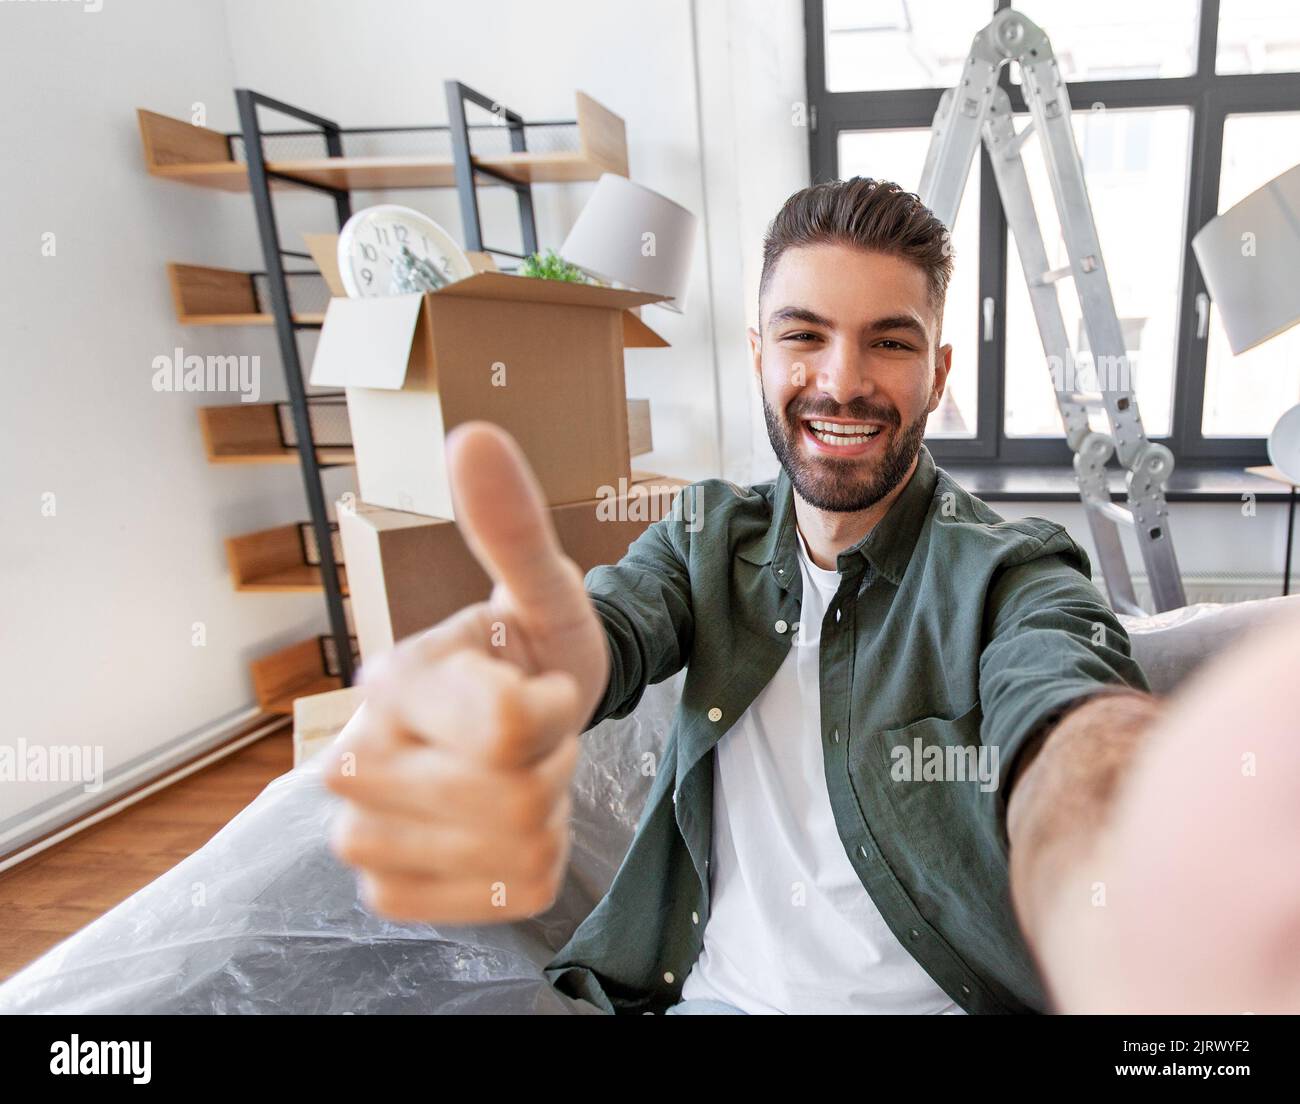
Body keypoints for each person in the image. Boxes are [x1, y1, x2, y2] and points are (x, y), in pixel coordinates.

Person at [320, 177, 1267, 1015]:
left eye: (889, 343)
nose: (843, 383)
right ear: (759, 355)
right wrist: (527, 673)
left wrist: (1131, 856)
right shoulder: (703, 537)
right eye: (803, 336)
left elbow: (1068, 717)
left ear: (938, 371)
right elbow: (606, 629)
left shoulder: (1011, 570)